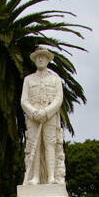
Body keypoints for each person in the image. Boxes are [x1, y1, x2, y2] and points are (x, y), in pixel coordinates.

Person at [21, 47, 65, 185]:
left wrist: (46, 112)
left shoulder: (55, 79)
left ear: (48, 60)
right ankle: (35, 177)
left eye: (43, 57)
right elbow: (24, 100)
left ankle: (52, 177)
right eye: (38, 57)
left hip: (50, 117)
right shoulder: (28, 80)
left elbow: (59, 99)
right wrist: (34, 112)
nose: (40, 59)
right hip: (33, 118)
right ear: (34, 60)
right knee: (35, 145)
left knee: (50, 144)